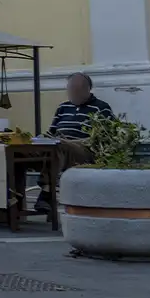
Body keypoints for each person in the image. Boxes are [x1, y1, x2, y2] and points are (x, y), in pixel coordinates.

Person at [35, 72, 113, 213]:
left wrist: (66, 141)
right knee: (32, 148)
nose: (72, 93)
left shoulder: (101, 108)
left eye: (76, 90)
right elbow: (51, 131)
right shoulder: (63, 107)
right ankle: (13, 199)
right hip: (58, 145)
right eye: (70, 89)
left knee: (58, 146)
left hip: (84, 149)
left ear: (87, 90)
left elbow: (104, 138)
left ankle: (46, 194)